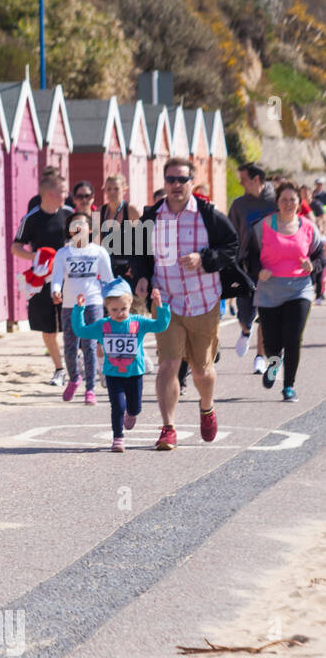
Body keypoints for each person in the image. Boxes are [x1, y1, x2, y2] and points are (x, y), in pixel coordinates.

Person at [135, 157, 242, 451]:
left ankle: (207, 408)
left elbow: (231, 247)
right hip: (166, 301)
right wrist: (143, 277)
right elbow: (138, 252)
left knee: (201, 370)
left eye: (182, 179)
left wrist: (205, 260)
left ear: (191, 182)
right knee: (168, 364)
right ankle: (168, 428)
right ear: (164, 183)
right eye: (170, 179)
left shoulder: (208, 216)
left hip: (203, 301)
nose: (176, 185)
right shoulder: (152, 217)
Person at [245, 181, 325, 401]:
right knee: (271, 341)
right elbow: (249, 256)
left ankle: (289, 386)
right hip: (269, 290)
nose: (288, 204)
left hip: (300, 289)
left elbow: (320, 256)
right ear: (277, 202)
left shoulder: (308, 228)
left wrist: (313, 265)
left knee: (293, 337)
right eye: (284, 200)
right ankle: (273, 362)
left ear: (299, 203)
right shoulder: (262, 227)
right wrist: (258, 270)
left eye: (293, 200)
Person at [71, 282, 171, 452]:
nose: (119, 313)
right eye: (114, 310)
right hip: (113, 374)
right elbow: (81, 331)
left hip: (134, 374)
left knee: (135, 407)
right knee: (117, 406)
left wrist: (160, 307)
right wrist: (79, 310)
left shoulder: (138, 322)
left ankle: (131, 414)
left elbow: (160, 326)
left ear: (130, 304)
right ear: (107, 309)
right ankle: (118, 438)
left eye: (123, 309)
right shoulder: (103, 325)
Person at [13, 170, 73, 387]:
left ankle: (78, 367)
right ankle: (59, 370)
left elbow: (86, 240)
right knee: (48, 329)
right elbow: (16, 247)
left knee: (74, 324)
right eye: (62, 191)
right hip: (42, 280)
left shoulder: (69, 214)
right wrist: (37, 256)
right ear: (49, 193)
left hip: (69, 278)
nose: (66, 196)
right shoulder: (31, 218)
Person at [50, 210, 113, 405]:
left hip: (93, 303)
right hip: (69, 304)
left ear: (90, 229)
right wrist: (55, 291)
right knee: (70, 346)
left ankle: (90, 389)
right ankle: (75, 378)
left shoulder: (99, 252)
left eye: (82, 224)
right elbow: (57, 277)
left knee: (90, 346)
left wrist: (112, 301)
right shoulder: (63, 253)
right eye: (73, 224)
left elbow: (108, 279)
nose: (78, 227)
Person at [227, 162, 276, 370]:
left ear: (256, 179)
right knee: (245, 314)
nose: (240, 182)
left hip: (272, 265)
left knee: (266, 312)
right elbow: (229, 234)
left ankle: (261, 357)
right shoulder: (239, 205)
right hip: (246, 265)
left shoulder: (276, 201)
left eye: (244, 179)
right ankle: (245, 330)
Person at [99, 173, 141, 279]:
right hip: (107, 267)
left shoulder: (132, 211)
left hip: (128, 268)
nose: (112, 192)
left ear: (124, 190)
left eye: (116, 189)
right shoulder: (100, 211)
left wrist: (138, 266)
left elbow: (143, 241)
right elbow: (96, 243)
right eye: (109, 189)